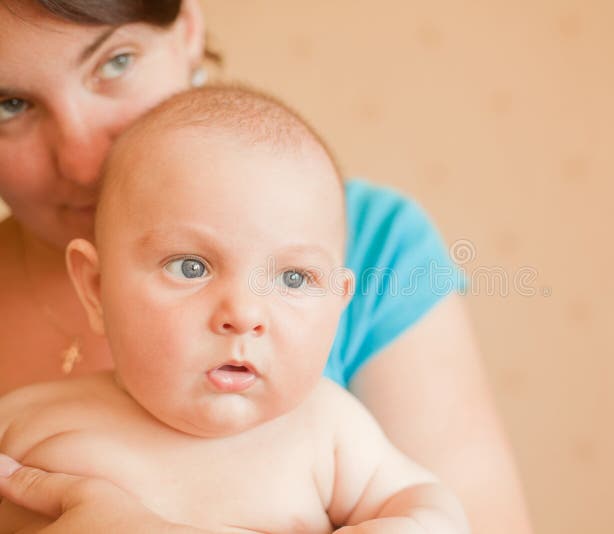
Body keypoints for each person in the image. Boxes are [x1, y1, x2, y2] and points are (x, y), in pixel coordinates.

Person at [0, 1, 533, 532]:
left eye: (116, 62)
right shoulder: (27, 426)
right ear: (95, 286)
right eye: (9, 104)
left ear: (187, 30)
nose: (82, 158)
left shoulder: (328, 430)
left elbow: (434, 511)